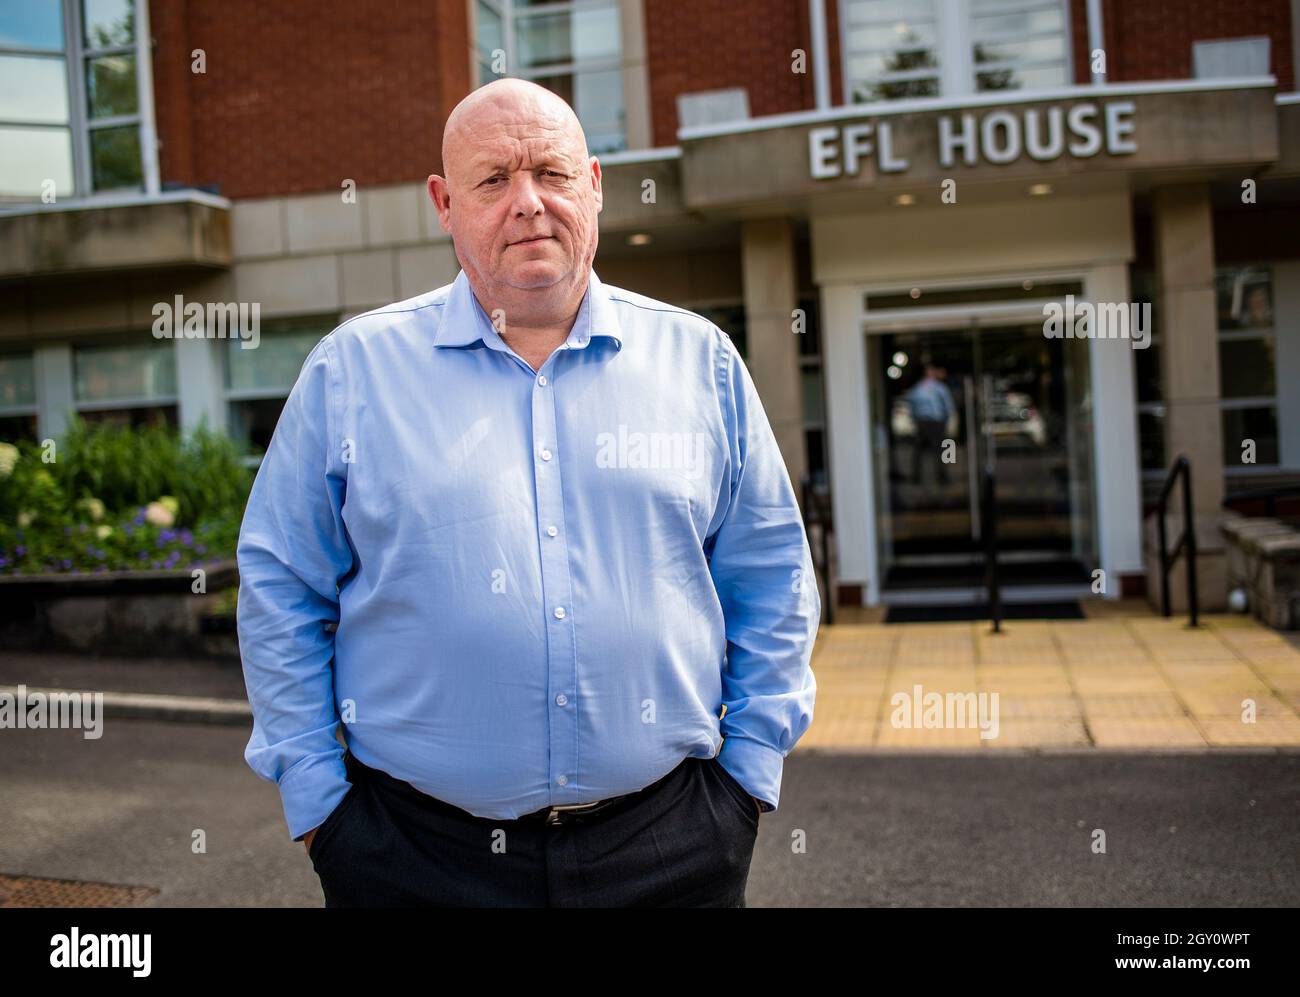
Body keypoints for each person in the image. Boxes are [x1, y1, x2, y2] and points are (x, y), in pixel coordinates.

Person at [235, 78, 820, 908]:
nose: (528, 203)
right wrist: (321, 809)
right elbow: (280, 588)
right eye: (492, 179)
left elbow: (774, 576)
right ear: (444, 202)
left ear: (595, 186)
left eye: (550, 171)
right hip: (412, 858)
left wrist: (747, 779)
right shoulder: (352, 372)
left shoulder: (703, 363)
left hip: (672, 847)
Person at [905, 363, 957, 486]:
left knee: (919, 450)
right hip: (935, 421)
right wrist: (948, 419)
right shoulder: (938, 387)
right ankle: (942, 476)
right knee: (941, 449)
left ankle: (917, 476)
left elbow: (912, 406)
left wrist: (914, 420)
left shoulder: (917, 388)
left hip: (923, 422)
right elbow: (948, 405)